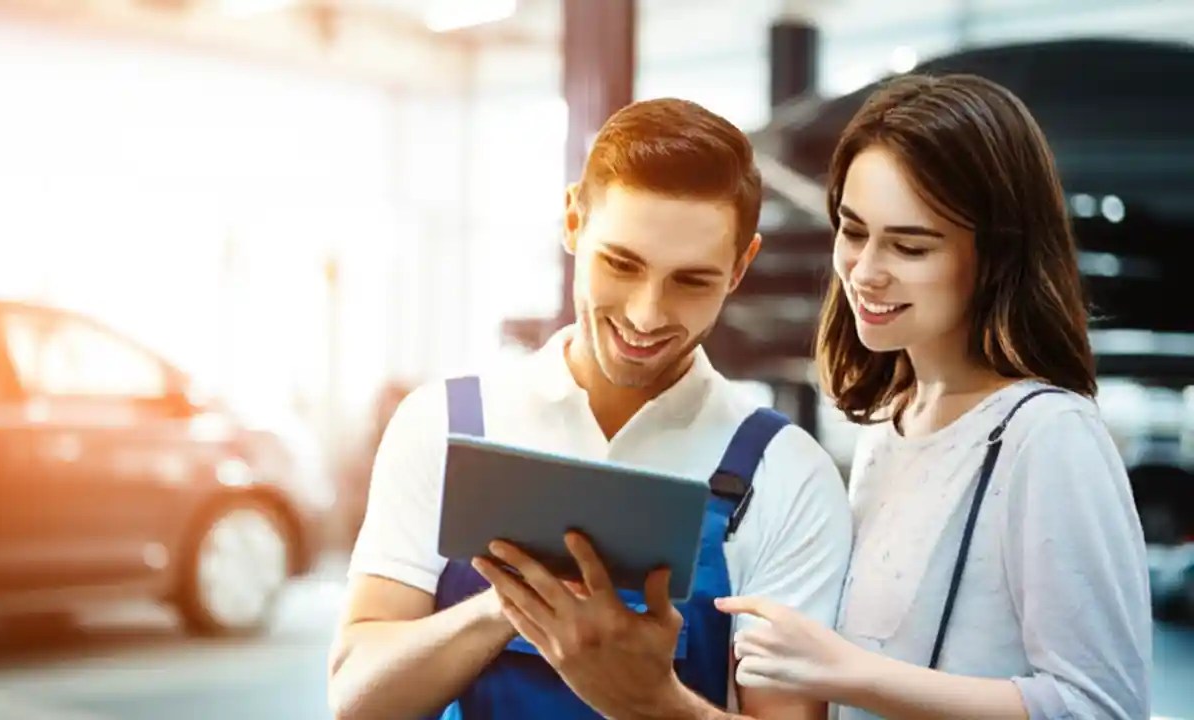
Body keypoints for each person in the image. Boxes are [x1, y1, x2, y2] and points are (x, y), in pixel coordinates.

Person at [327, 97, 853, 720]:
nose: (645, 315)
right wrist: (516, 605)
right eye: (620, 264)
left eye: (691, 281)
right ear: (573, 221)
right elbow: (356, 701)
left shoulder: (786, 476)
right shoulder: (443, 426)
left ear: (740, 267)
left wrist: (653, 703)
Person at [718, 74, 1152, 719]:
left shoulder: (1048, 436)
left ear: (998, 257)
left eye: (910, 246)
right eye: (853, 231)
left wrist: (846, 672)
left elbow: (1102, 708)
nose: (866, 271)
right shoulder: (889, 426)